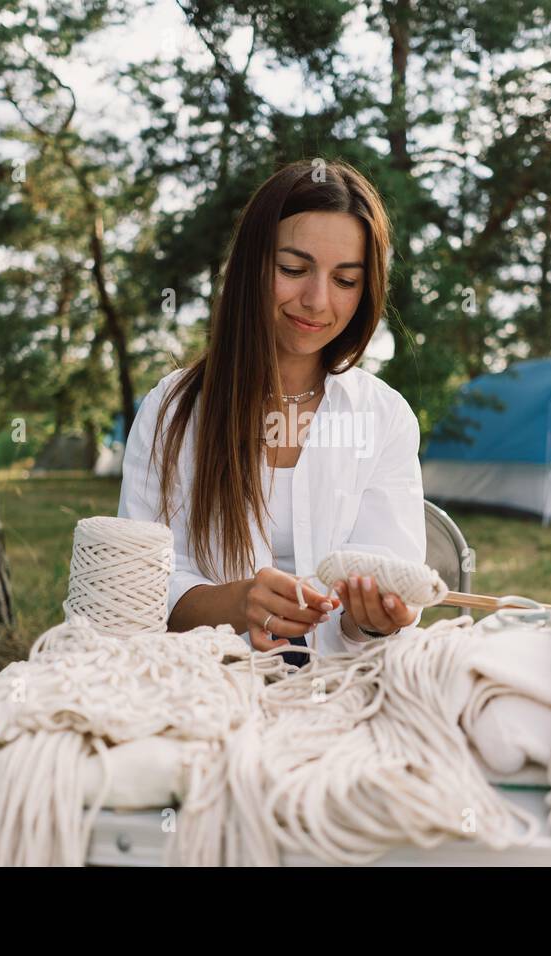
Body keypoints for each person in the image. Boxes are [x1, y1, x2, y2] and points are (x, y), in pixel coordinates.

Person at [118, 158, 427, 660]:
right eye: (293, 269)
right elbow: (137, 587)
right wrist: (237, 602)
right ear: (251, 265)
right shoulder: (172, 410)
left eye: (346, 281)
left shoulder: (384, 417)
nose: (316, 300)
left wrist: (373, 620)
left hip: (342, 693)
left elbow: (390, 581)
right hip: (210, 687)